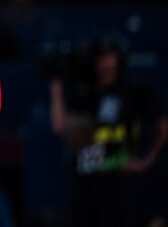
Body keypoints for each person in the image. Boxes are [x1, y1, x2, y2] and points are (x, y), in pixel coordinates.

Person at [49, 38, 168, 227]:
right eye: (100, 57)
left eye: (109, 57)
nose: (104, 62)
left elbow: (161, 125)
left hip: (119, 178)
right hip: (86, 175)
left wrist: (148, 159)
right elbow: (60, 126)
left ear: (119, 59)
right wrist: (56, 88)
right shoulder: (86, 93)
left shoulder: (133, 91)